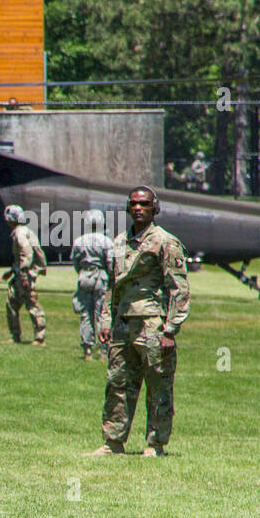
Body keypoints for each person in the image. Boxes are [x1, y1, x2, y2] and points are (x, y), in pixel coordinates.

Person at [92, 186, 190, 457]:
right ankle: (113, 442)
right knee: (118, 383)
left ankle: (156, 444)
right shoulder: (120, 242)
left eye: (144, 204)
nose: (138, 208)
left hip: (153, 325)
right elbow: (112, 285)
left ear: (154, 208)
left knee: (158, 385)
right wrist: (105, 320)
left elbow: (178, 289)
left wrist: (170, 329)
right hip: (123, 324)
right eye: (133, 204)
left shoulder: (165, 242)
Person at [71, 210, 115, 359]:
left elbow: (75, 261)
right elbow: (110, 263)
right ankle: (103, 350)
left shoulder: (79, 241)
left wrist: (82, 272)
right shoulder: (106, 241)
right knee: (102, 314)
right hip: (101, 278)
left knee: (85, 314)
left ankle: (87, 349)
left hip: (84, 277)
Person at [2, 204, 46, 345]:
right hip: (22, 273)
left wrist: (24, 276)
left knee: (32, 305)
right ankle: (15, 336)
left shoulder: (19, 233)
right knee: (11, 304)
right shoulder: (24, 231)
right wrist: (12, 271)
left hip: (25, 275)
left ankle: (40, 338)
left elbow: (26, 254)